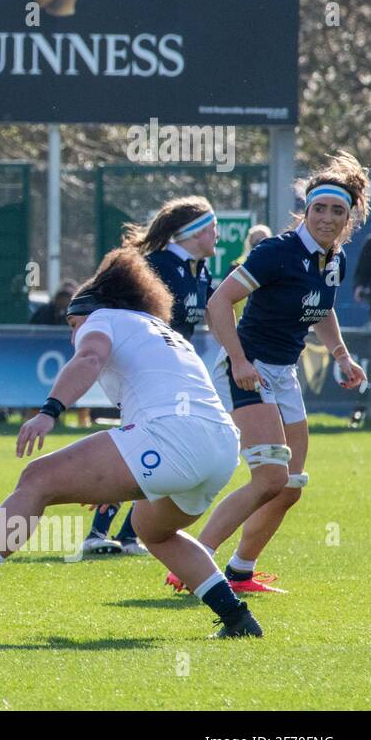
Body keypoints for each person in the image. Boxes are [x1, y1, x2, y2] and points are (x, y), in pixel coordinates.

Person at [0, 248, 260, 639]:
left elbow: (88, 358)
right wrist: (112, 478)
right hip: (221, 448)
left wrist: (49, 411)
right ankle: (238, 619)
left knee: (37, 478)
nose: (74, 333)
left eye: (72, 323)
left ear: (90, 310)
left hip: (175, 438)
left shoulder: (102, 318)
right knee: (151, 531)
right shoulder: (164, 333)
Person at [164, 152, 370, 595]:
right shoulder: (278, 251)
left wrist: (341, 355)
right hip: (248, 369)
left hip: (282, 373)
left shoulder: (333, 259)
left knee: (290, 486)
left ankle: (239, 573)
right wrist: (238, 360)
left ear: (350, 218)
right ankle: (191, 563)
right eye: (320, 208)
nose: (328, 218)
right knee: (270, 478)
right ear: (306, 210)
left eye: (338, 211)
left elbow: (321, 308)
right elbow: (220, 303)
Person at [81, 198, 219, 558]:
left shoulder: (199, 270)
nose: (217, 234)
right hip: (145, 376)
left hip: (177, 379)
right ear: (193, 232)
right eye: (212, 227)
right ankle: (98, 533)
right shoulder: (155, 266)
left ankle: (129, 535)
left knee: (158, 454)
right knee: (136, 448)